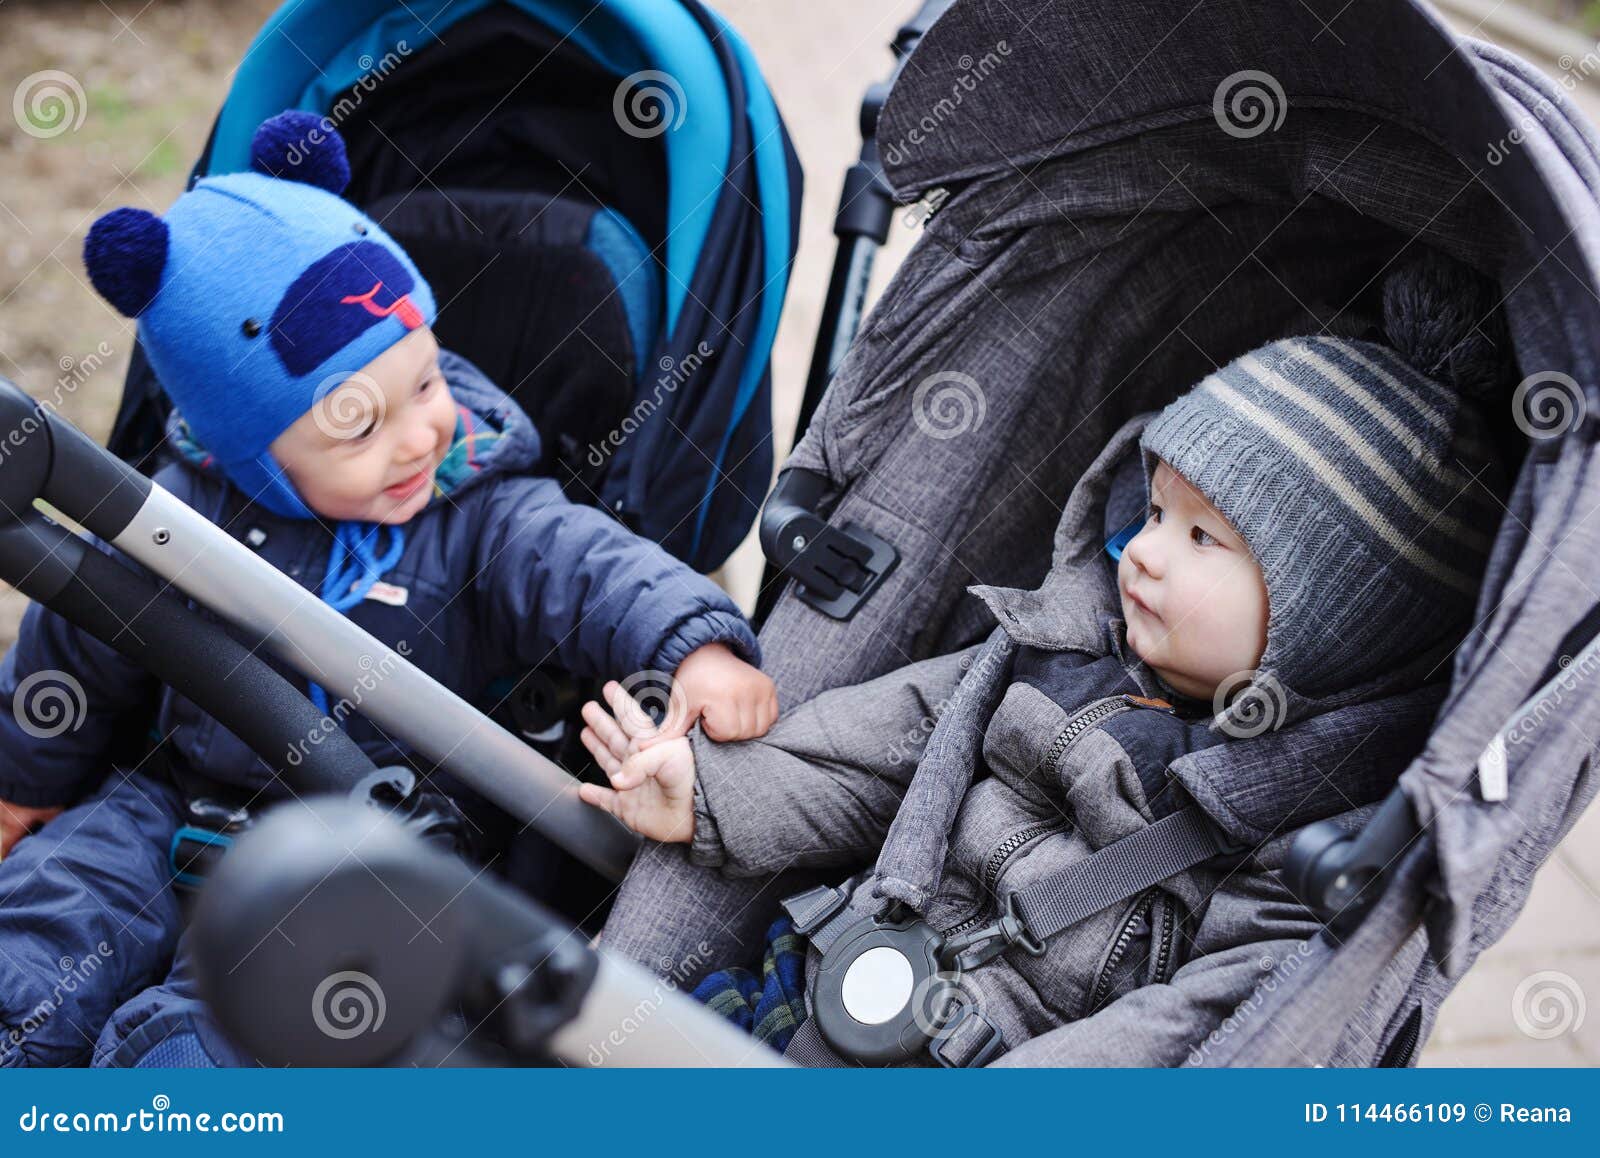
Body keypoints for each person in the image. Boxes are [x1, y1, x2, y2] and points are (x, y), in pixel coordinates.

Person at [579, 251, 1511, 1065]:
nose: (1142, 551)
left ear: (1330, 617)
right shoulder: (1057, 648)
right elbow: (879, 748)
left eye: (1201, 539)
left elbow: (1198, 1028)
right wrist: (715, 796)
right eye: (1151, 514)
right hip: (828, 976)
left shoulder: (1310, 834)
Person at [0, 110, 777, 1067]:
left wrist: (693, 643)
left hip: (371, 831)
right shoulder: (178, 514)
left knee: (246, 1006)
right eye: (359, 427)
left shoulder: (485, 508)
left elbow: (595, 569)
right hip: (176, 792)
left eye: (424, 383)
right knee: (57, 903)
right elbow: (78, 641)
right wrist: (21, 780)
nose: (420, 436)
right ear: (253, 451)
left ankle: (171, 1087)